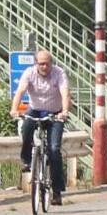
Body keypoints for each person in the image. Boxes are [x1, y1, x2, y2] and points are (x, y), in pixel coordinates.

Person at [10, 51, 70, 202]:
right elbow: (20, 91)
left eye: (47, 63)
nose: (44, 67)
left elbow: (65, 93)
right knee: (26, 128)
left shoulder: (59, 73)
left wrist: (64, 112)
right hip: (35, 110)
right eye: (41, 64)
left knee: (54, 149)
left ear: (51, 63)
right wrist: (14, 109)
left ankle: (57, 191)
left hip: (55, 113)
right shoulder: (29, 73)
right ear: (36, 63)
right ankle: (27, 160)